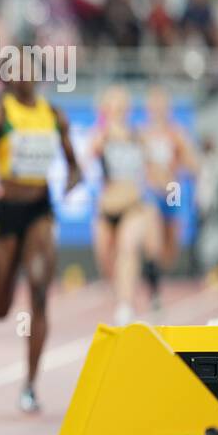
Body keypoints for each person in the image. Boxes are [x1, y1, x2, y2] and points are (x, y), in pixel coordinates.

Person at [0, 70, 82, 413]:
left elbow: (74, 165)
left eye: (29, 69)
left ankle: (30, 384)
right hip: (6, 212)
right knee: (0, 307)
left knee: (39, 292)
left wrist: (70, 182)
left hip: (39, 210)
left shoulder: (54, 115)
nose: (23, 77)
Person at [89, 86, 156, 324]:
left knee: (128, 248)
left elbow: (152, 169)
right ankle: (119, 292)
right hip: (107, 208)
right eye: (112, 106)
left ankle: (126, 304)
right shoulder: (101, 135)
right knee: (106, 258)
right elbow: (87, 159)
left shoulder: (138, 136)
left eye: (121, 106)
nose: (117, 110)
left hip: (133, 206)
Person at [142, 85, 197, 307]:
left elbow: (192, 164)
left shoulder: (177, 134)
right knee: (153, 239)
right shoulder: (143, 134)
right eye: (154, 105)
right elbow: (139, 165)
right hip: (152, 193)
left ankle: (157, 273)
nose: (158, 110)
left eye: (161, 106)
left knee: (170, 248)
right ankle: (153, 289)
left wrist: (183, 166)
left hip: (173, 194)